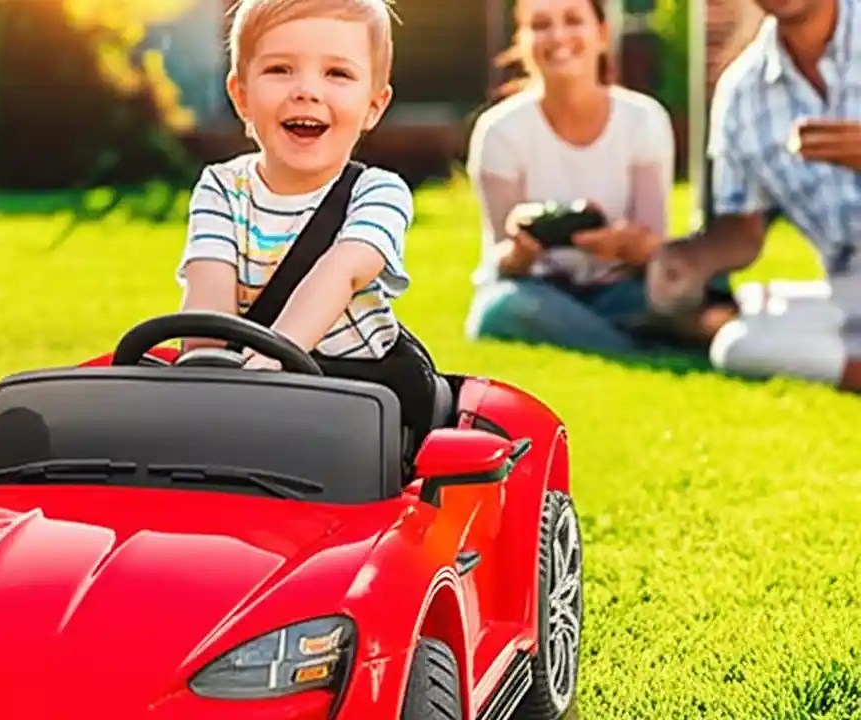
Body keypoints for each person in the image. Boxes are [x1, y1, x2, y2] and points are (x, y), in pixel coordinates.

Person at [175, 0, 450, 448]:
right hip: (249, 386)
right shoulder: (221, 188)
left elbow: (342, 271)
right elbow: (208, 292)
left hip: (362, 392)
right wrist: (207, 376)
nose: (306, 90)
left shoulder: (378, 193)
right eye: (280, 69)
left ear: (374, 106)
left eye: (337, 74)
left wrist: (274, 358)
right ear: (241, 95)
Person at [463, 0, 737, 355]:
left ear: (602, 35)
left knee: (702, 276)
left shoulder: (642, 119)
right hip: (540, 290)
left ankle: (640, 332)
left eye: (573, 20)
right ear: (523, 41)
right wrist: (520, 254)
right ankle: (641, 346)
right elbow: (502, 255)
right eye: (541, 25)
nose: (558, 36)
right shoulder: (500, 131)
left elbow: (656, 246)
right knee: (500, 310)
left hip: (622, 287)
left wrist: (624, 244)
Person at [648, 0, 861, 391]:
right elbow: (741, 230)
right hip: (848, 291)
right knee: (737, 342)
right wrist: (693, 259)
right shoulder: (740, 94)